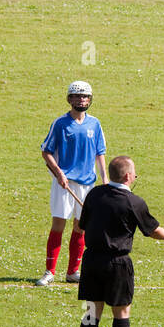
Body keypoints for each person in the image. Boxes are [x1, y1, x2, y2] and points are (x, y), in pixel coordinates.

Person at [76, 155, 164, 327]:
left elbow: (81, 226)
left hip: (92, 261)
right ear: (128, 176)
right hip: (118, 264)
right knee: (121, 313)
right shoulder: (134, 202)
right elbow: (153, 231)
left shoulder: (94, 194)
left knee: (91, 312)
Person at [39, 80, 107, 286]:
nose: (81, 100)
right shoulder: (60, 123)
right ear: (70, 99)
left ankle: (72, 272)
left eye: (85, 96)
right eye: (77, 96)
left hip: (87, 185)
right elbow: (46, 151)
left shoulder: (95, 124)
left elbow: (100, 153)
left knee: (81, 228)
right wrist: (59, 173)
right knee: (58, 225)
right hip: (64, 184)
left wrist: (105, 181)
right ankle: (49, 271)